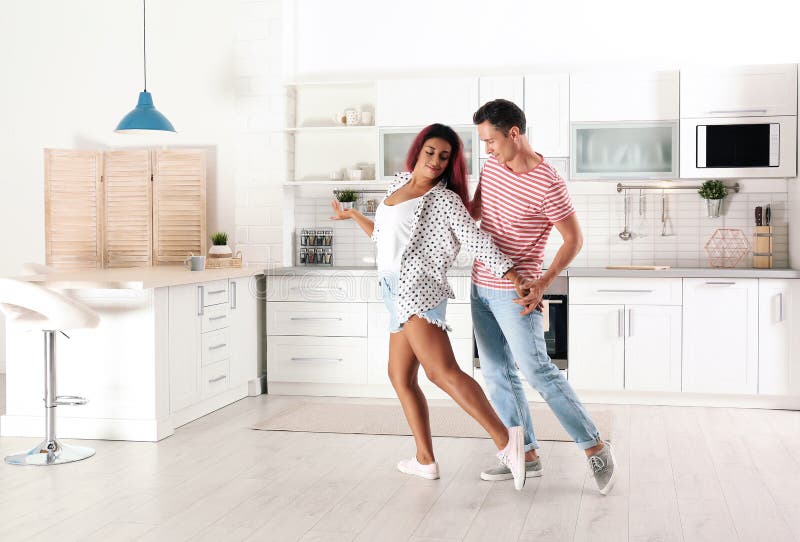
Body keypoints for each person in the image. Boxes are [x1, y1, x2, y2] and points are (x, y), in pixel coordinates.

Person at [330, 123, 528, 490]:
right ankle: (424, 459)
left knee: (441, 372)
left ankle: (507, 441)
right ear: (418, 151)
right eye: (431, 152)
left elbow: (476, 240)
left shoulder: (443, 200)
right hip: (393, 290)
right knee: (400, 376)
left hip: (418, 290)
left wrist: (513, 275)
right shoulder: (397, 185)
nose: (436, 161)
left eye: (444, 157)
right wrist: (353, 215)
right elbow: (384, 236)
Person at [470, 99, 617, 495]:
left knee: (537, 372)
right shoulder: (491, 167)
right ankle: (526, 455)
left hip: (517, 294)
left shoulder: (548, 182)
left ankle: (595, 448)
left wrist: (545, 280)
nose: (487, 149)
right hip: (480, 286)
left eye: (492, 141)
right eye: (483, 142)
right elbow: (476, 214)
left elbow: (574, 239)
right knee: (496, 374)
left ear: (514, 133)